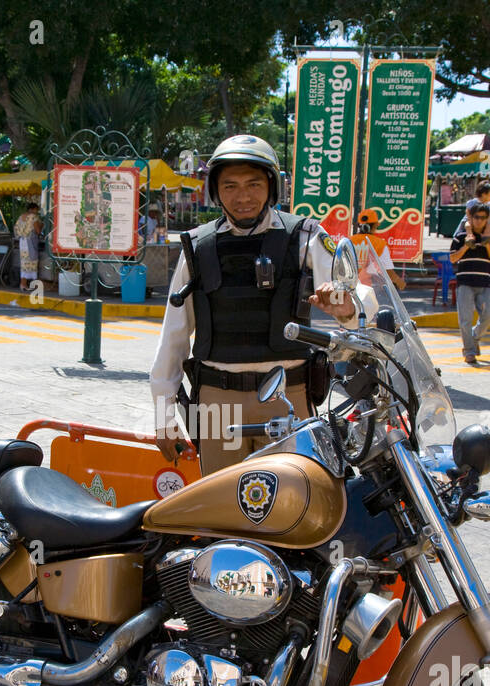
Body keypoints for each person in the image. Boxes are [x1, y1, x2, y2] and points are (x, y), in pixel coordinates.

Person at [150, 134, 353, 475]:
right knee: (222, 510)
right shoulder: (198, 247)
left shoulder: (306, 238)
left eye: (254, 184)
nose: (243, 196)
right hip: (218, 405)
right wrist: (163, 418)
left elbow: (353, 305)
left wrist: (345, 308)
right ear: (216, 191)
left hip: (286, 399)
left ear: (271, 186)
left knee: (293, 505)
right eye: (230, 186)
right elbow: (173, 337)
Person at [451, 203, 490, 365]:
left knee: (488, 315)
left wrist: (487, 245)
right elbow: (452, 258)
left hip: (485, 281)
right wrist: (466, 245)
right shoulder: (460, 235)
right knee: (465, 318)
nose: (480, 221)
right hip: (465, 281)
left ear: (487, 219)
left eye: (483, 218)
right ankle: (469, 351)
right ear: (470, 218)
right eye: (476, 217)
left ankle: (474, 337)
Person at [350, 210, 405, 289]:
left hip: (349, 289)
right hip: (368, 290)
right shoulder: (380, 244)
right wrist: (399, 282)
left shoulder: (348, 241)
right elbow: (388, 271)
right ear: (376, 225)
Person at [14, 202, 43, 291]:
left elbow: (16, 229)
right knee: (32, 261)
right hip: (30, 242)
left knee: (24, 263)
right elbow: (38, 231)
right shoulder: (33, 217)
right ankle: (32, 284)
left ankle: (23, 284)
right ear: (34, 209)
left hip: (22, 242)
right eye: (37, 210)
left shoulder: (21, 217)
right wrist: (42, 225)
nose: (37, 212)